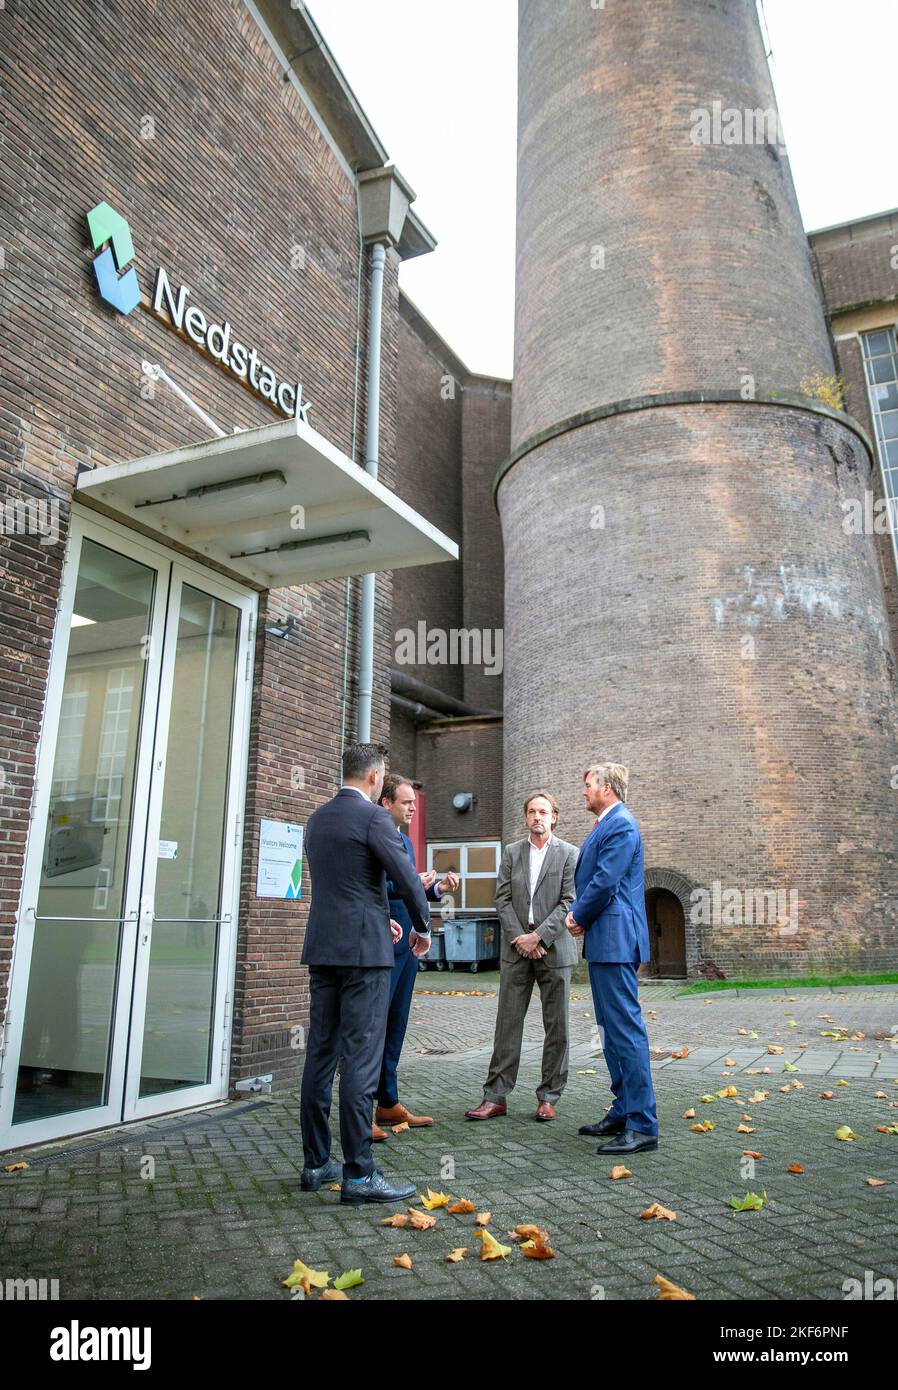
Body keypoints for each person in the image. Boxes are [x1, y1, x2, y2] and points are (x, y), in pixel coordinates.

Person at [299, 742, 432, 1204]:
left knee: (320, 1054)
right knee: (360, 1058)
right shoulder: (375, 818)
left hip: (324, 949)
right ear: (376, 778)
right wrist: (423, 927)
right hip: (365, 956)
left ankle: (316, 1163)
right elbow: (407, 878)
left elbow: (349, 883)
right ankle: (359, 1174)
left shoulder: (317, 820)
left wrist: (380, 913)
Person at [465, 791, 579, 1122]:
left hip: (554, 950)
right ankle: (495, 1096)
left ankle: (548, 1097)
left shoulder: (570, 854)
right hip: (517, 950)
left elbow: (570, 901)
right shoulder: (512, 853)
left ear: (554, 816)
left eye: (543, 811)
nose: (537, 817)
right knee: (507, 1024)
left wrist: (540, 937)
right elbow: (501, 899)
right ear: (525, 817)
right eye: (531, 811)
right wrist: (521, 939)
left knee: (557, 1026)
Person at [565, 762, 659, 1155]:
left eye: (588, 785)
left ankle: (643, 1125)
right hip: (606, 942)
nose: (583, 791)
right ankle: (623, 1110)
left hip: (616, 940)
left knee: (625, 1031)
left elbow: (605, 879)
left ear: (607, 787)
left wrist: (577, 915)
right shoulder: (609, 823)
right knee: (609, 1030)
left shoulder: (621, 824)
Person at [373, 774, 459, 1139]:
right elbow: (378, 885)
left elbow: (409, 889)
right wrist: (414, 883)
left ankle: (387, 1101)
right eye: (406, 802)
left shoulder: (405, 842)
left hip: (408, 947)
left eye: (413, 802)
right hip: (382, 944)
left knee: (396, 1025)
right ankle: (363, 1111)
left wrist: (435, 887)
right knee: (374, 1028)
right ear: (386, 803)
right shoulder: (374, 836)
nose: (412, 808)